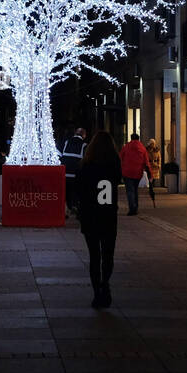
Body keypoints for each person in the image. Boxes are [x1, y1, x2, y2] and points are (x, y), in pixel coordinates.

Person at [77, 131, 122, 308]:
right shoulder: (114, 163)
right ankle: (106, 284)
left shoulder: (87, 164)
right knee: (108, 254)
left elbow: (80, 188)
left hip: (90, 215)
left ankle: (97, 293)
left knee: (94, 256)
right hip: (109, 214)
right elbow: (118, 179)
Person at [120, 133, 152, 215]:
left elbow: (120, 158)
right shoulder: (142, 148)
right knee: (135, 190)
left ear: (131, 138)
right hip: (138, 172)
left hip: (127, 172)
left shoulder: (126, 147)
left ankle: (132, 208)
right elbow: (146, 162)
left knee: (130, 191)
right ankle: (136, 207)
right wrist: (150, 174)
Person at [60, 126, 88, 215]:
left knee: (67, 191)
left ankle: (67, 208)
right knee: (76, 191)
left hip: (64, 172)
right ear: (84, 135)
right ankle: (74, 206)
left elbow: (59, 154)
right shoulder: (84, 145)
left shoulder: (66, 142)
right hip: (76, 174)